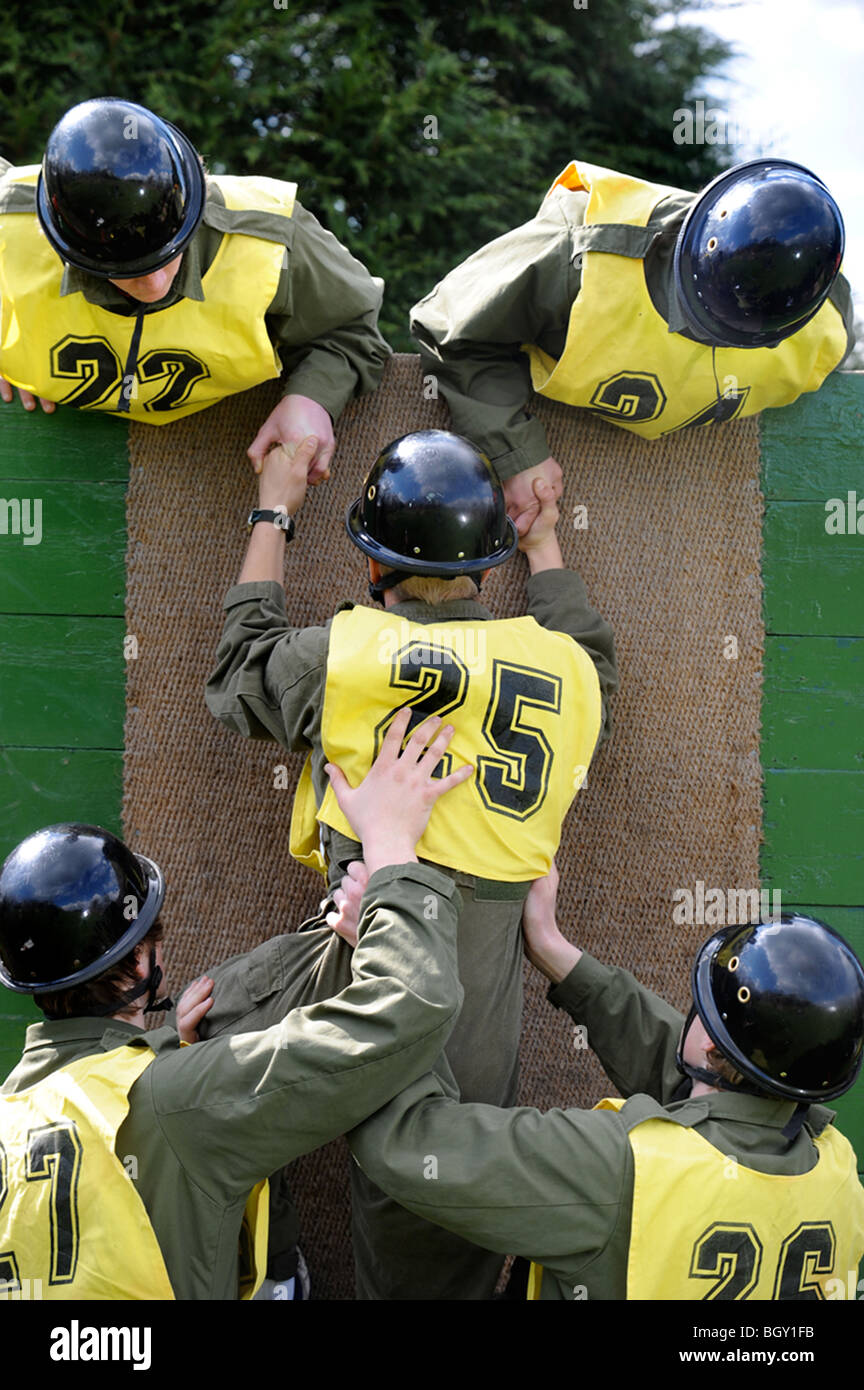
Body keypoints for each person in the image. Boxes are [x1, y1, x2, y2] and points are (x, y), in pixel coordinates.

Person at [204, 429, 617, 1298]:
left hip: (354, 937)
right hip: (480, 974)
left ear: (370, 566)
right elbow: (594, 660)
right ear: (487, 567)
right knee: (434, 1188)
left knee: (196, 1044)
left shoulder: (338, 656)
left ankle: (263, 1272)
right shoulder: (565, 666)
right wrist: (543, 539)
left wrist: (274, 503)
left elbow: (237, 671)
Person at [0, 711, 469, 1300]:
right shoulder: (181, 1101)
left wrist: (175, 1056)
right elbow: (410, 1006)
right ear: (144, 962)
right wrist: (395, 854)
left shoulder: (10, 1116)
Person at [348, 863, 864, 1301]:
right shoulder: (839, 1176)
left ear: (710, 1050)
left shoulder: (613, 1168)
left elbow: (405, 1141)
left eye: (701, 1010)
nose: (687, 1016)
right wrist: (552, 949)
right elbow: (698, 1083)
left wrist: (396, 969)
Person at [410, 157, 855, 535]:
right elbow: (449, 329)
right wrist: (514, 453)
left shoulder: (826, 331)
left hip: (678, 508)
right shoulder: (577, 253)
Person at [0, 97, 390, 478]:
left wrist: (312, 399)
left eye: (168, 254)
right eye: (125, 269)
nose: (153, 283)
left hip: (216, 466)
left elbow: (352, 328)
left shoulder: (273, 239)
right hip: (58, 467)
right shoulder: (7, 224)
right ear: (62, 244)